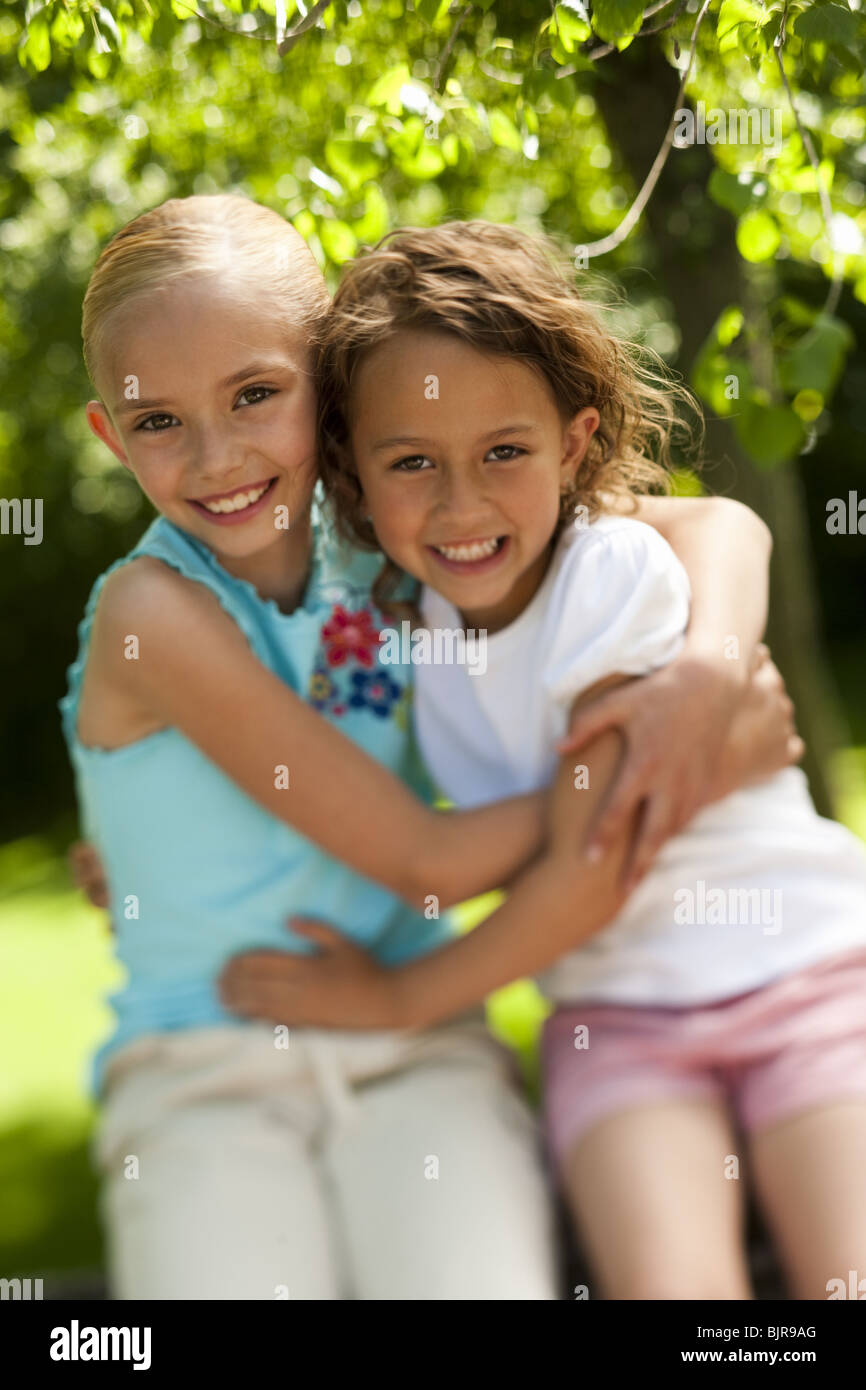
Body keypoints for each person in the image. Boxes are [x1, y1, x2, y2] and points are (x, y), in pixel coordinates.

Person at [65, 195, 793, 1300]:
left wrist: (699, 677)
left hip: (420, 1045)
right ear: (109, 435)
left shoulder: (396, 536)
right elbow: (425, 860)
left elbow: (714, 527)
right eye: (157, 421)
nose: (217, 455)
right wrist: (678, 757)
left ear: (333, 394)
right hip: (204, 1063)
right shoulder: (148, 612)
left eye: (256, 394)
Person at [222, 220, 866, 1301]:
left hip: (801, 978)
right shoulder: (405, 613)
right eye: (411, 463)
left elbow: (590, 866)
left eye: (502, 453)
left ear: (571, 446)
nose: (461, 505)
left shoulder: (605, 571)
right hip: (616, 1024)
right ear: (354, 471)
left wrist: (395, 998)